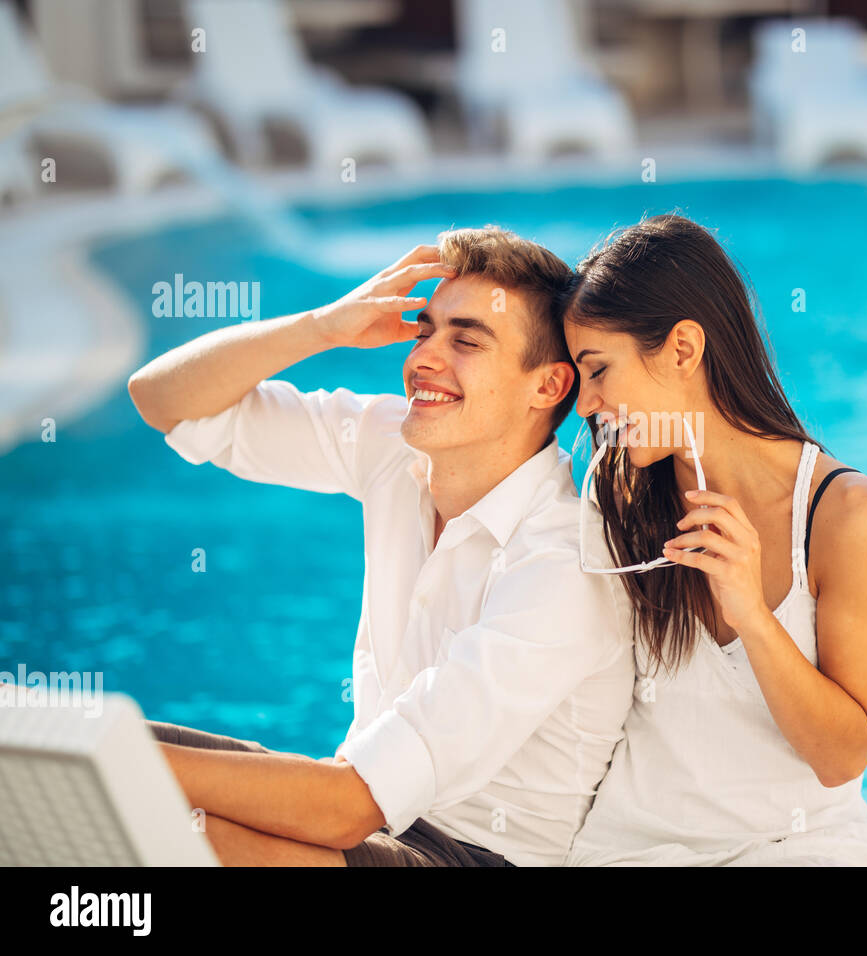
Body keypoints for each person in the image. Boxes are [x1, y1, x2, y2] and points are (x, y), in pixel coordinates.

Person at [127, 227, 633, 867]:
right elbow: (165, 402)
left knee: (163, 819)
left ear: (549, 387)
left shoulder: (564, 566)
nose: (424, 357)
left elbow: (344, 810)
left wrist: (119, 766)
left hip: (472, 854)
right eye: (425, 331)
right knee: (60, 750)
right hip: (363, 809)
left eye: (467, 340)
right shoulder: (394, 447)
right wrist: (322, 326)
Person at [562, 214, 867, 866]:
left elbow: (841, 758)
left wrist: (752, 615)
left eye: (598, 370)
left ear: (683, 349)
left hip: (803, 849)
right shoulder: (617, 497)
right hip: (634, 852)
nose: (585, 403)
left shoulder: (844, 517)